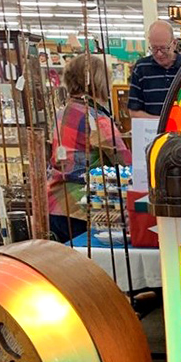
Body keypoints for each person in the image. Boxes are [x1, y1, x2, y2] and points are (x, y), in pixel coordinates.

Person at [47, 54, 131, 244]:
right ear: (100, 81)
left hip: (54, 202)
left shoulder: (62, 113)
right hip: (82, 207)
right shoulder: (96, 119)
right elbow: (124, 161)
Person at [128, 20, 181, 118]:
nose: (159, 54)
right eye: (154, 48)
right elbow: (134, 111)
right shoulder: (141, 68)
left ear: (174, 43)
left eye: (164, 48)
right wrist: (161, 122)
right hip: (151, 127)